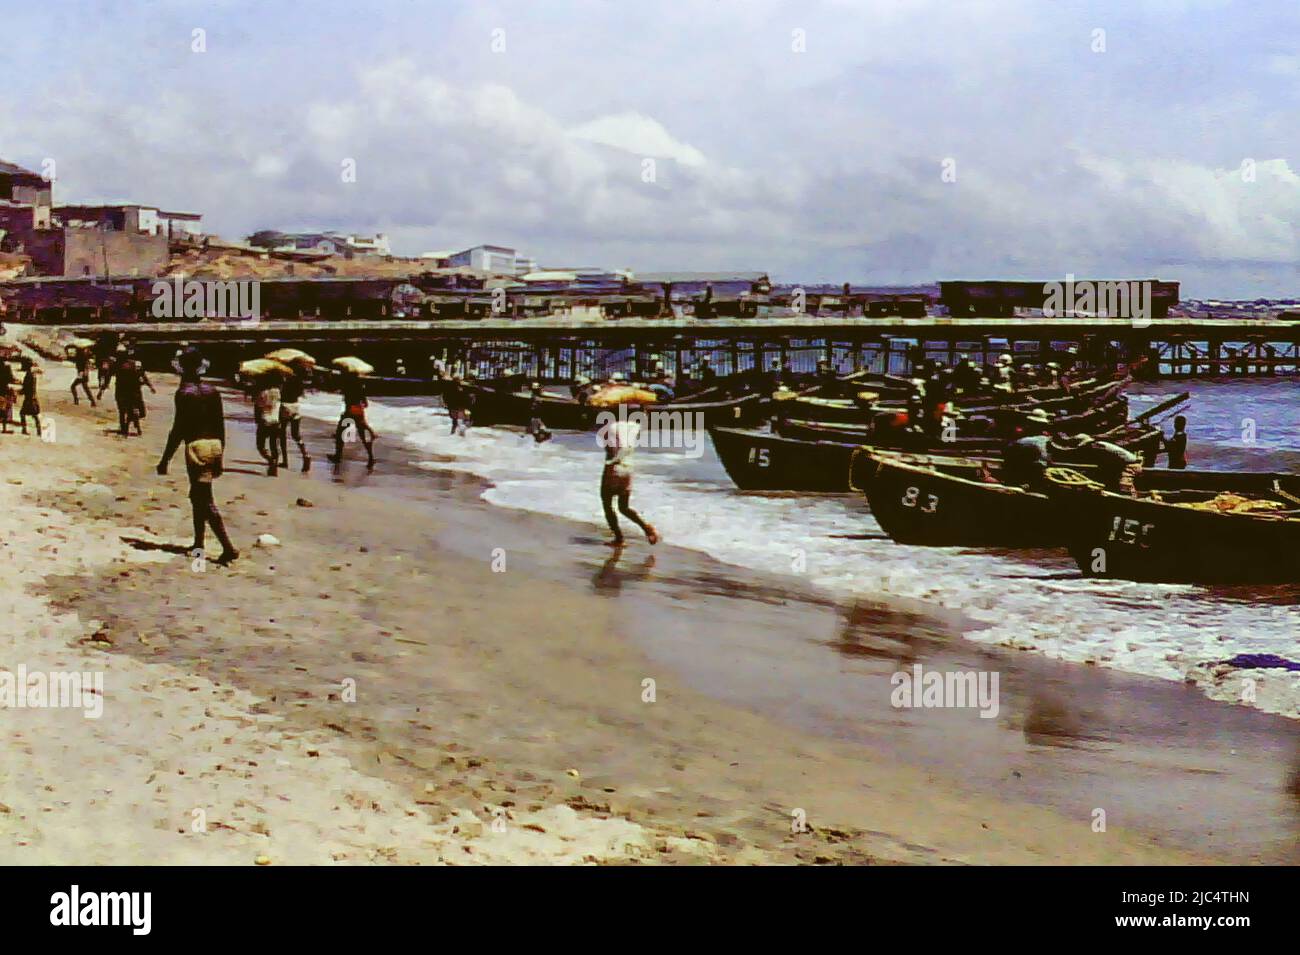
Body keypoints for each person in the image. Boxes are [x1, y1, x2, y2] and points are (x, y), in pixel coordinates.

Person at [156, 347, 238, 564]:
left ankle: (228, 547)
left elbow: (178, 430)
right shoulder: (212, 391)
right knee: (197, 496)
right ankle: (199, 542)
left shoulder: (184, 393)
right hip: (214, 444)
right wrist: (221, 454)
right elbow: (220, 425)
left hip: (196, 446)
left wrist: (165, 459)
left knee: (204, 498)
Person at [597, 417, 658, 547]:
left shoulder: (608, 428)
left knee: (607, 502)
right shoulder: (633, 426)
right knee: (624, 507)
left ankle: (619, 538)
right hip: (629, 469)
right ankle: (647, 529)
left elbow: (612, 451)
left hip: (615, 468)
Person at [98, 345, 155, 436]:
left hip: (122, 391)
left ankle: (125, 427)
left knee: (123, 411)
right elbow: (142, 375)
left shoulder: (116, 365)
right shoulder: (133, 364)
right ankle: (131, 424)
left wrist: (101, 391)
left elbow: (107, 378)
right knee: (131, 410)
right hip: (133, 391)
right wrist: (150, 386)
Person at [329, 370, 376, 468]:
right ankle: (371, 457)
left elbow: (338, 389)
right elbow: (365, 402)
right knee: (362, 435)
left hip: (350, 411)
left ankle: (337, 457)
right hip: (358, 410)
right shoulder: (360, 383)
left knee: (340, 434)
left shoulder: (348, 382)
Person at [279, 363, 311, 472]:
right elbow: (300, 394)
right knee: (296, 435)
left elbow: (281, 394)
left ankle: (285, 460)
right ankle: (305, 454)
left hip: (285, 406)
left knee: (282, 433)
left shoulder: (287, 380)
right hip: (296, 407)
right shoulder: (299, 382)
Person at [251, 375, 283, 476]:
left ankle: (270, 460)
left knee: (260, 446)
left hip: (265, 421)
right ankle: (274, 467)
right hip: (276, 421)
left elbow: (258, 407)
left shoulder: (263, 393)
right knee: (274, 446)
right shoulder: (278, 392)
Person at [18, 358, 42, 438]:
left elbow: (26, 388)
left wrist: (19, 392)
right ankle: (38, 431)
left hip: (29, 398)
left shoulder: (28, 375)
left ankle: (25, 429)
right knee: (34, 415)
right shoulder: (32, 374)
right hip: (32, 397)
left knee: (23, 414)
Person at [0, 358, 15, 434]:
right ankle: (4, 429)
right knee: (3, 411)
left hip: (2, 392)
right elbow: (10, 379)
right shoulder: (6, 368)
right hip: (3, 392)